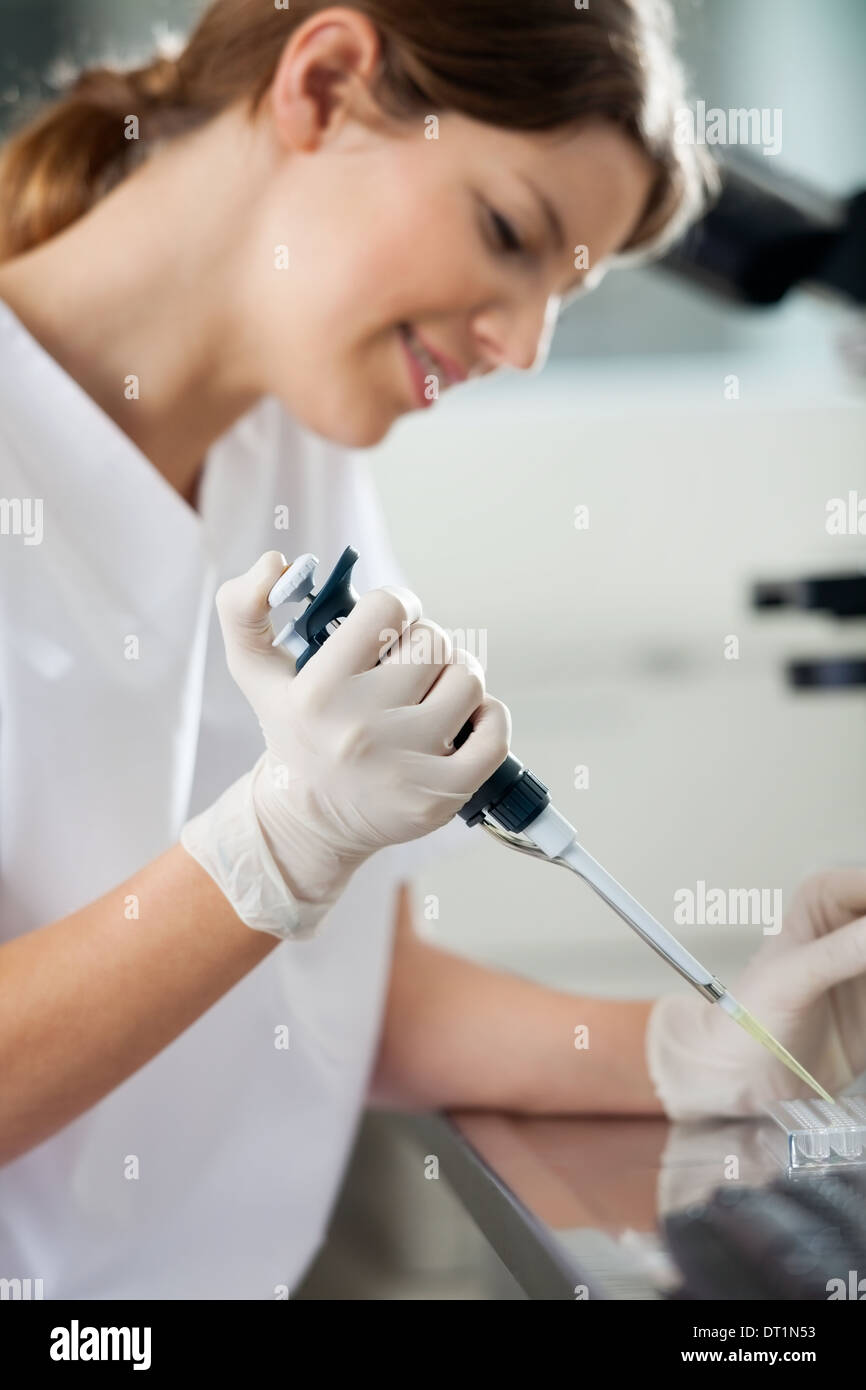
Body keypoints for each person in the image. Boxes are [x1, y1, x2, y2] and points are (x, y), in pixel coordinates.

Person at [0, 0, 863, 1300]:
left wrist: (697, 1048)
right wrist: (268, 847)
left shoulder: (295, 444)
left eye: (558, 293)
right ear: (328, 81)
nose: (516, 346)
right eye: (507, 232)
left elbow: (348, 990)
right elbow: (264, 894)